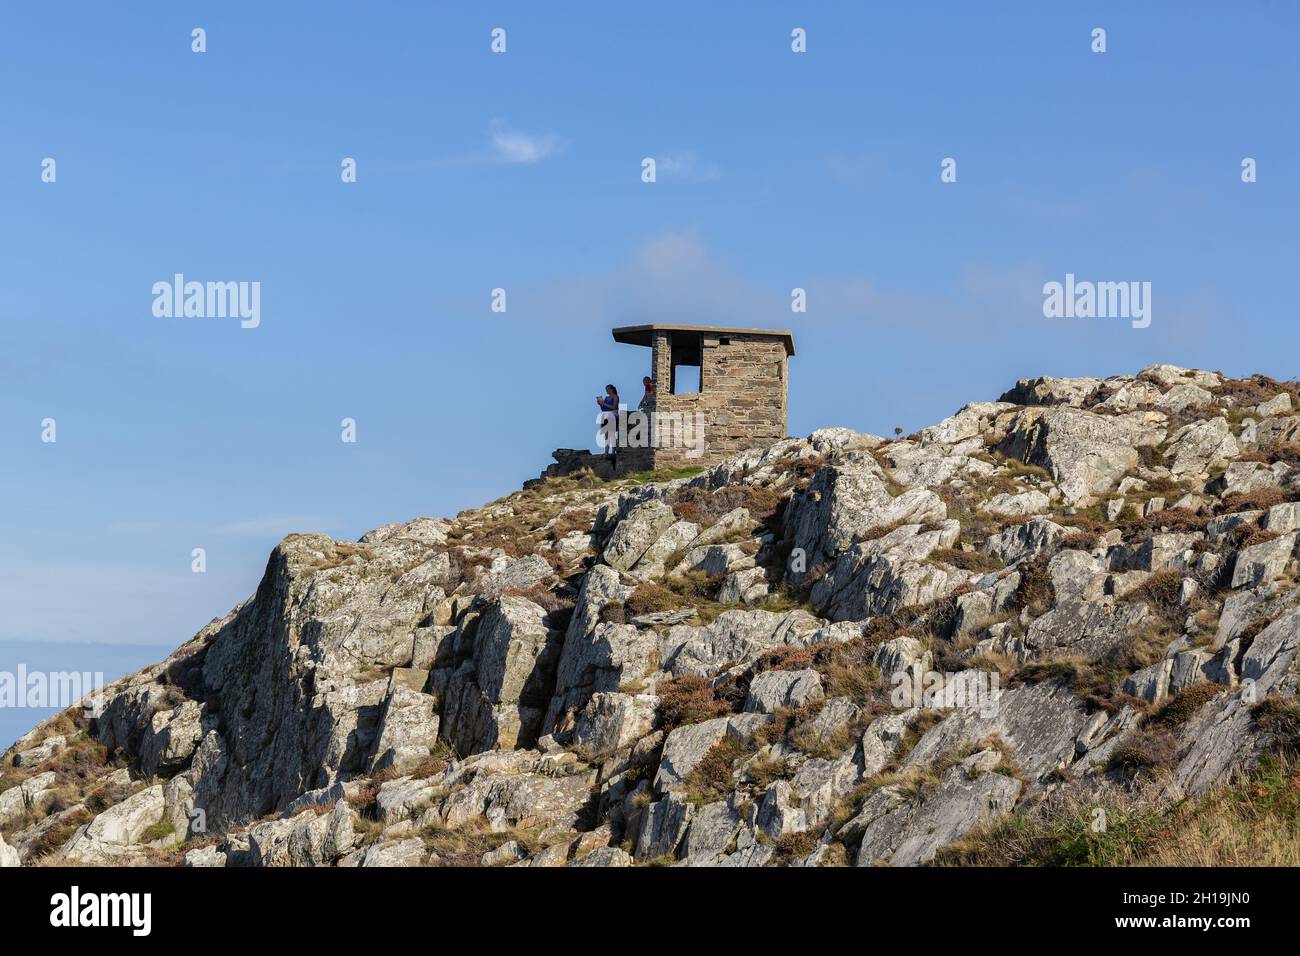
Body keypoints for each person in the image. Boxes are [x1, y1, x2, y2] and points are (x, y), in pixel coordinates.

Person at [596, 384, 620, 458]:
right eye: (606, 389)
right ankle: (606, 451)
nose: (607, 391)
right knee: (606, 434)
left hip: (613, 416)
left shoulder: (616, 397)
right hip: (606, 416)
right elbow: (604, 409)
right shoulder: (606, 398)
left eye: (608, 389)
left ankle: (613, 451)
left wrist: (604, 403)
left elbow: (614, 407)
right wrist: (600, 404)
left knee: (612, 434)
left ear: (612, 389)